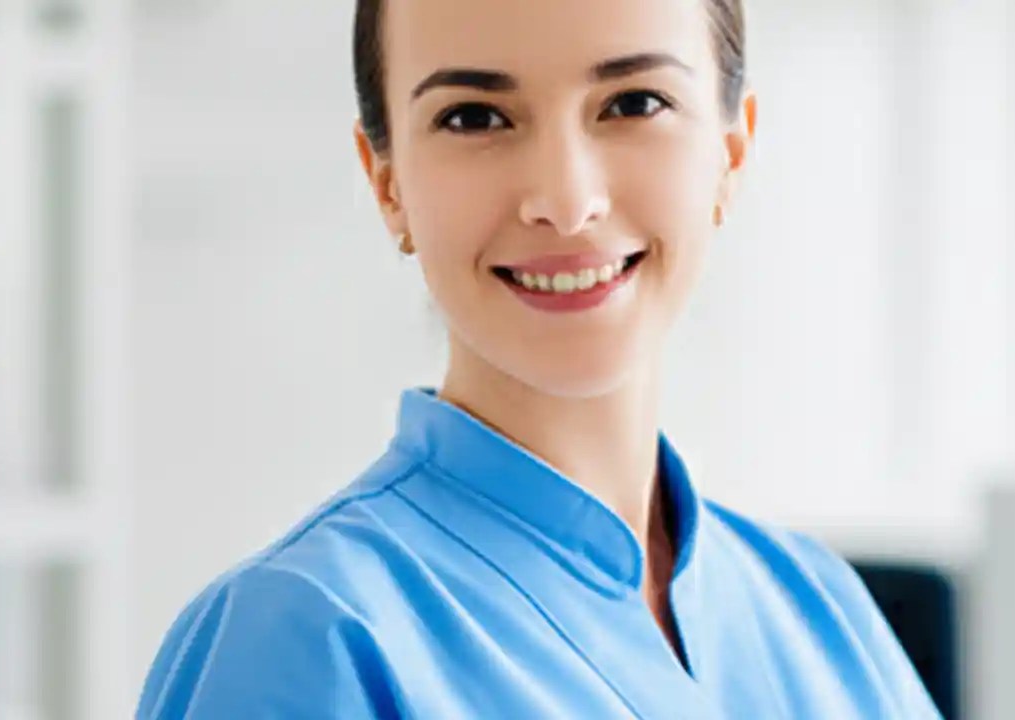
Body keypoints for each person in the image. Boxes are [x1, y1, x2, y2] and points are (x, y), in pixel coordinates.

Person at [136, 0, 943, 717]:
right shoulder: (306, 639)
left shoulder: (824, 616)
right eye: (474, 118)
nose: (565, 201)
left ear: (731, 154)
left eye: (635, 102)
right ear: (387, 184)